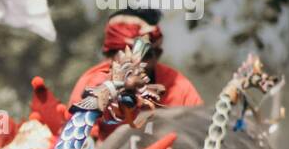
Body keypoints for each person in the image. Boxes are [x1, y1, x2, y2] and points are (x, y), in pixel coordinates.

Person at [69, 7, 202, 138]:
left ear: (157, 54)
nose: (137, 64)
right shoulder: (91, 83)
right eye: (128, 55)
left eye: (147, 55)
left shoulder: (178, 85)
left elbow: (202, 133)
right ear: (111, 56)